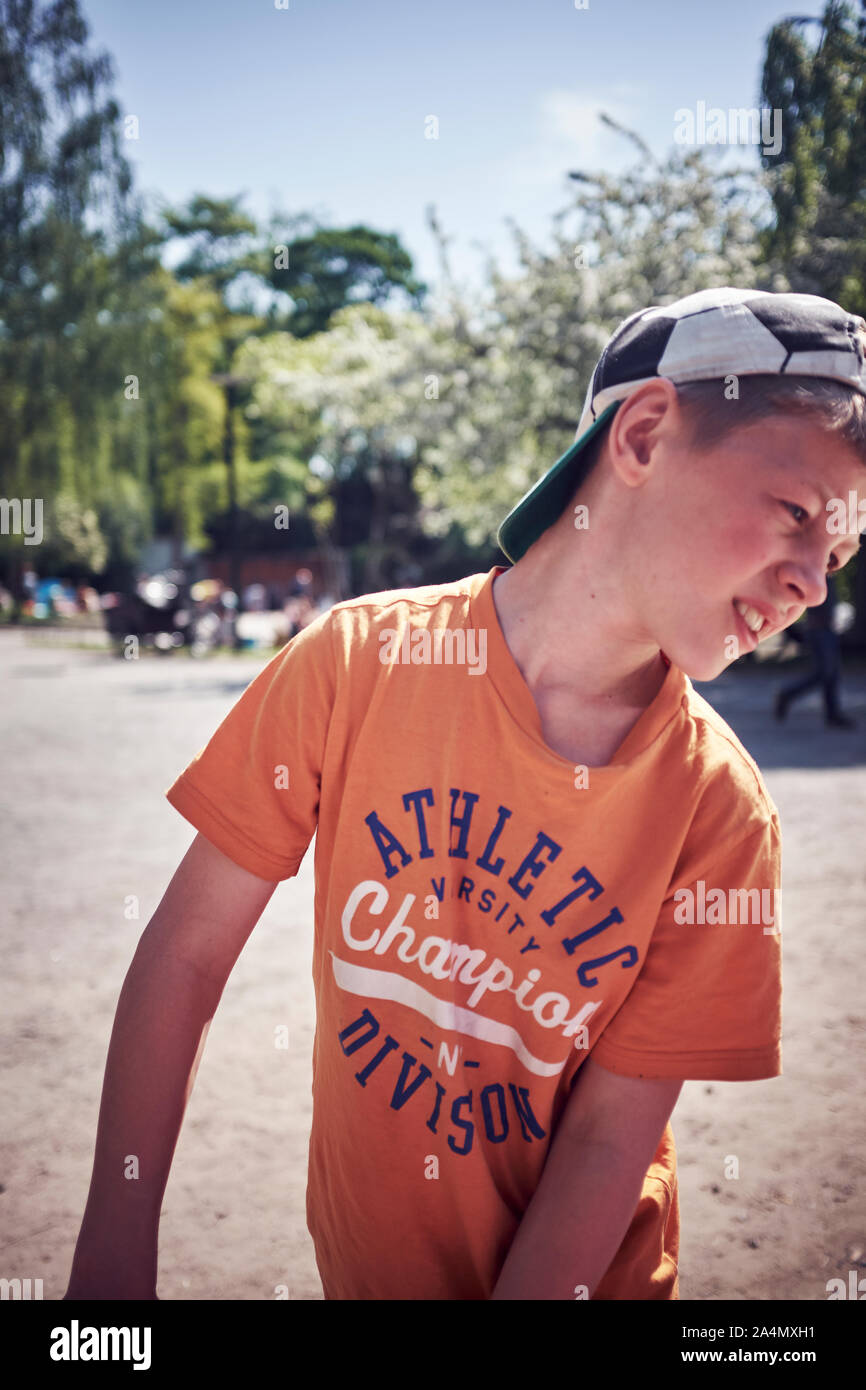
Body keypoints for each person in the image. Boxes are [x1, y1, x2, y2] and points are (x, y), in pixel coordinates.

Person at [64, 288, 866, 1301]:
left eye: (836, 552)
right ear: (646, 431)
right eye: (797, 515)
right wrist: (110, 1255)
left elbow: (610, 1135)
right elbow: (184, 952)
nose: (813, 583)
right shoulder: (356, 662)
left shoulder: (716, 810)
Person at [773, 572, 856, 728]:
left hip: (828, 629)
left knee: (832, 674)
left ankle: (833, 714)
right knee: (824, 673)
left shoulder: (830, 571)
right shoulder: (817, 571)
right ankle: (786, 695)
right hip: (819, 630)